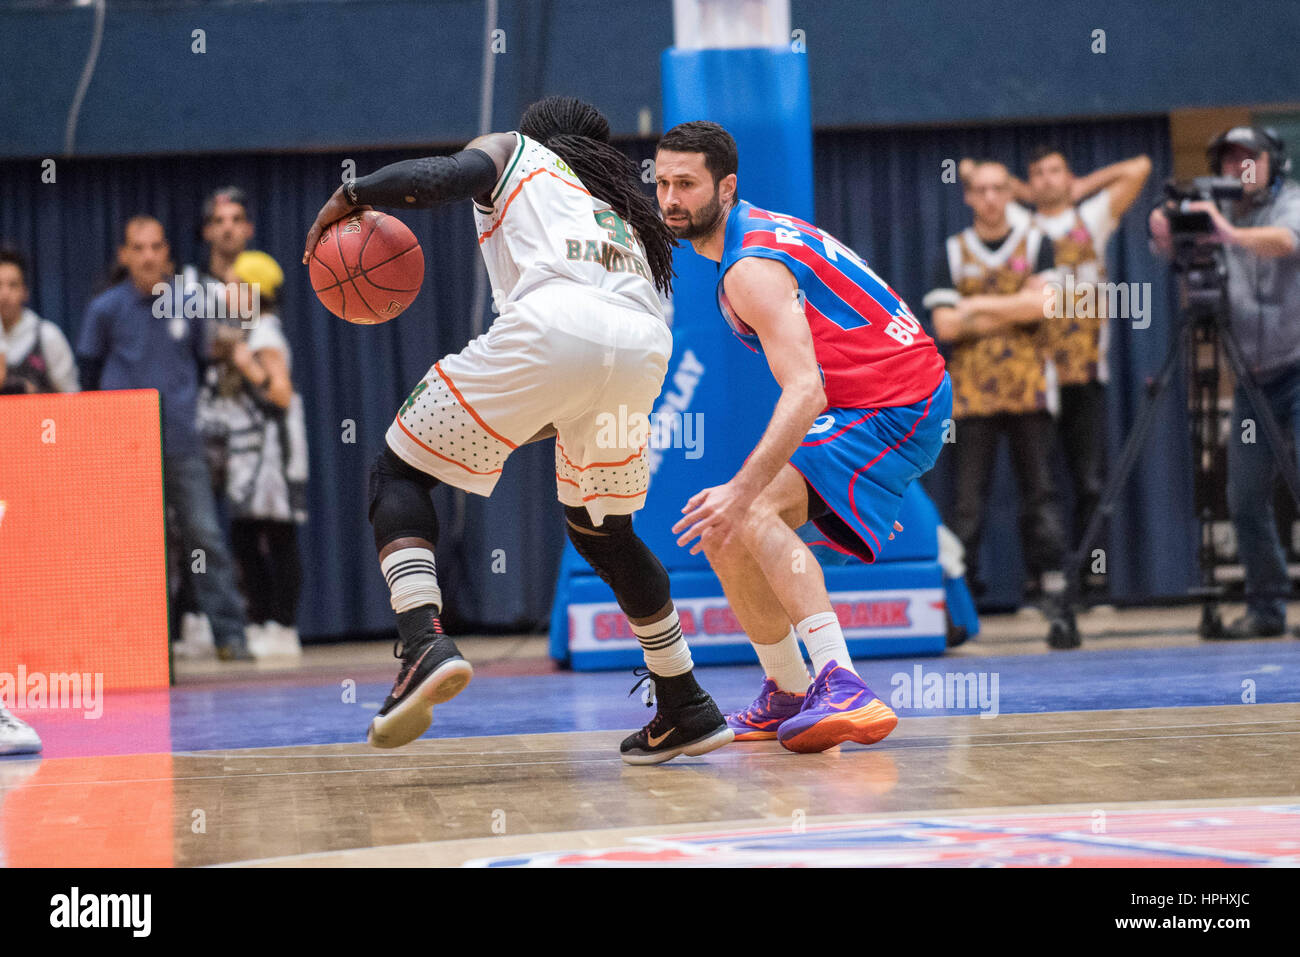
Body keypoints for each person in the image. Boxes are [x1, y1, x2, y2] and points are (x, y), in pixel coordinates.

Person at [303, 96, 732, 764]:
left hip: (556, 329)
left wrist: (354, 192)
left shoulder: (519, 150)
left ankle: (423, 641)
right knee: (605, 531)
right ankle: (685, 701)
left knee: (400, 469)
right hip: (643, 350)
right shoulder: (626, 212)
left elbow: (443, 176)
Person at [654, 121, 950, 752]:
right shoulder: (759, 235)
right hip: (877, 404)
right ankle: (787, 689)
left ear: (726, 187)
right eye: (662, 184)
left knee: (748, 504)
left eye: (686, 183)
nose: (671, 199)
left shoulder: (750, 268)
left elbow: (807, 391)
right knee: (723, 526)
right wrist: (846, 478)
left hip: (895, 403)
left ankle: (843, 683)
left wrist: (755, 485)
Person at [76, 216, 253, 661]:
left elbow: (200, 361)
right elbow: (88, 376)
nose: (148, 256)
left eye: (156, 247)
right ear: (124, 255)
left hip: (181, 443)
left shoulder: (186, 305)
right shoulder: (105, 310)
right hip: (121, 450)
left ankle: (230, 638)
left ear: (167, 254)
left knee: (205, 537)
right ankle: (131, 643)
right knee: (128, 547)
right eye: (139, 248)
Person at [1151, 126, 1300, 638]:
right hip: (1253, 381)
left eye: (1248, 158)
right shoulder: (1218, 215)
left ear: (1271, 161)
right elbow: (1176, 259)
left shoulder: (1291, 203)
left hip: (1298, 369)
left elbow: (1285, 241)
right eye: (1229, 159)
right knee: (1244, 498)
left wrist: (1228, 234)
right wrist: (1168, 232)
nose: (1238, 168)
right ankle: (1266, 609)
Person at [924, 159, 1076, 646]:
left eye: (998, 189)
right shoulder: (952, 249)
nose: (990, 198)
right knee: (969, 503)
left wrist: (975, 305)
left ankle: (1052, 590)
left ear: (1010, 192)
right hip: (970, 395)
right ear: (968, 196)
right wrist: (1016, 306)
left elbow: (1046, 307)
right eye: (980, 190)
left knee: (1042, 496)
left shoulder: (1037, 241)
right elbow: (945, 328)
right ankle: (958, 599)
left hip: (1029, 389)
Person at [991, 149, 1151, 599]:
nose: (1044, 180)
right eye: (1036, 173)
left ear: (1069, 175)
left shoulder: (1092, 216)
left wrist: (1082, 185)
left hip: (1084, 371)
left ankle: (1090, 575)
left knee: (1089, 481)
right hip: (1033, 375)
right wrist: (1022, 192)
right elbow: (969, 170)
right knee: (1036, 484)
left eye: (1054, 171)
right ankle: (1042, 577)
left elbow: (1137, 166)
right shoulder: (1020, 225)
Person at [198, 250, 308, 657]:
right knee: (246, 536)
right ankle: (262, 621)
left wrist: (248, 366)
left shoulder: (264, 334)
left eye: (233, 286)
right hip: (252, 451)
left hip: (274, 452)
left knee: (278, 536)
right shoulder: (251, 330)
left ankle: (283, 627)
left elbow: (280, 392)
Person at [0, 248, 79, 395]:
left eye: (13, 285)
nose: (5, 294)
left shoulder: (47, 335)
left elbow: (70, 394)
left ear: (25, 292)